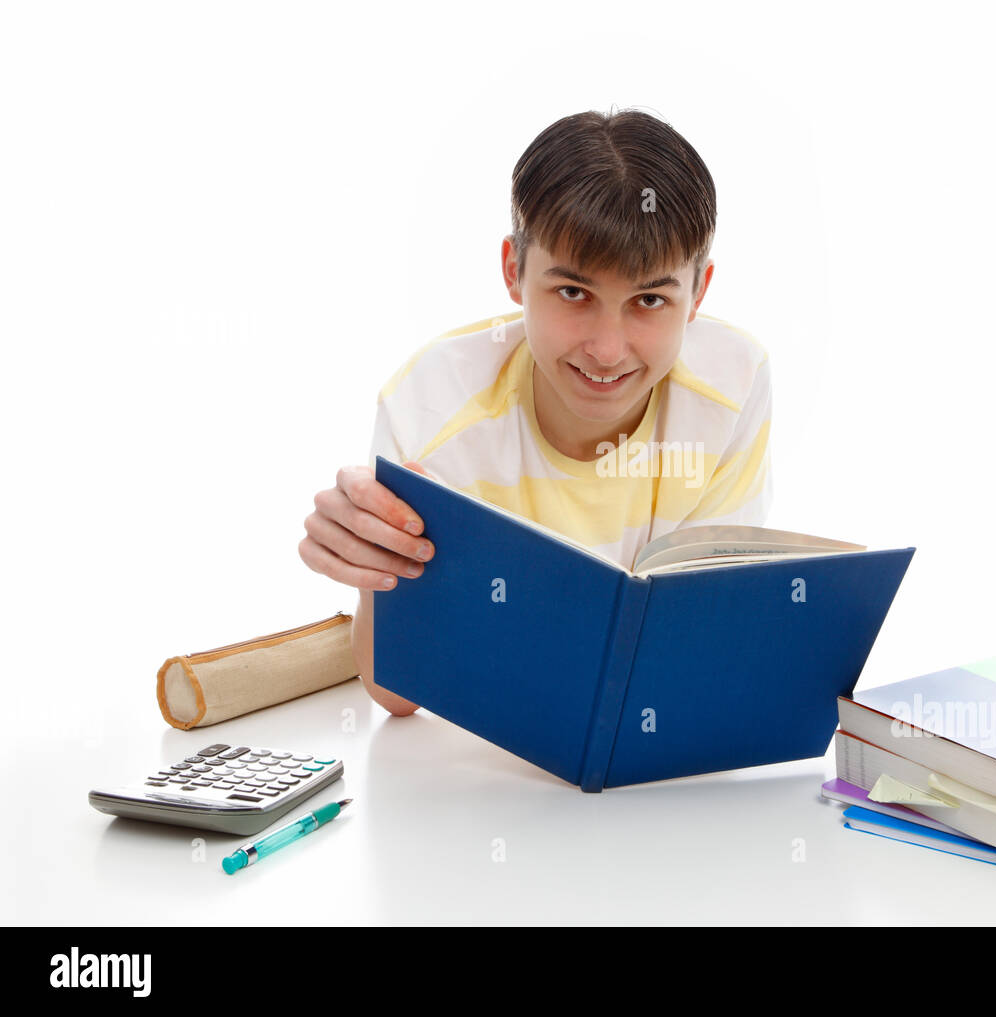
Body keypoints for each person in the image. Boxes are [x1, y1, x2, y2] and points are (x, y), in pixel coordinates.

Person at [299, 108, 774, 716]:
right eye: (573, 293)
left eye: (650, 299)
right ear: (513, 271)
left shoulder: (732, 386)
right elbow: (396, 693)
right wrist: (375, 568)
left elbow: (705, 644)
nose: (606, 350)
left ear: (698, 293)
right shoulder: (433, 402)